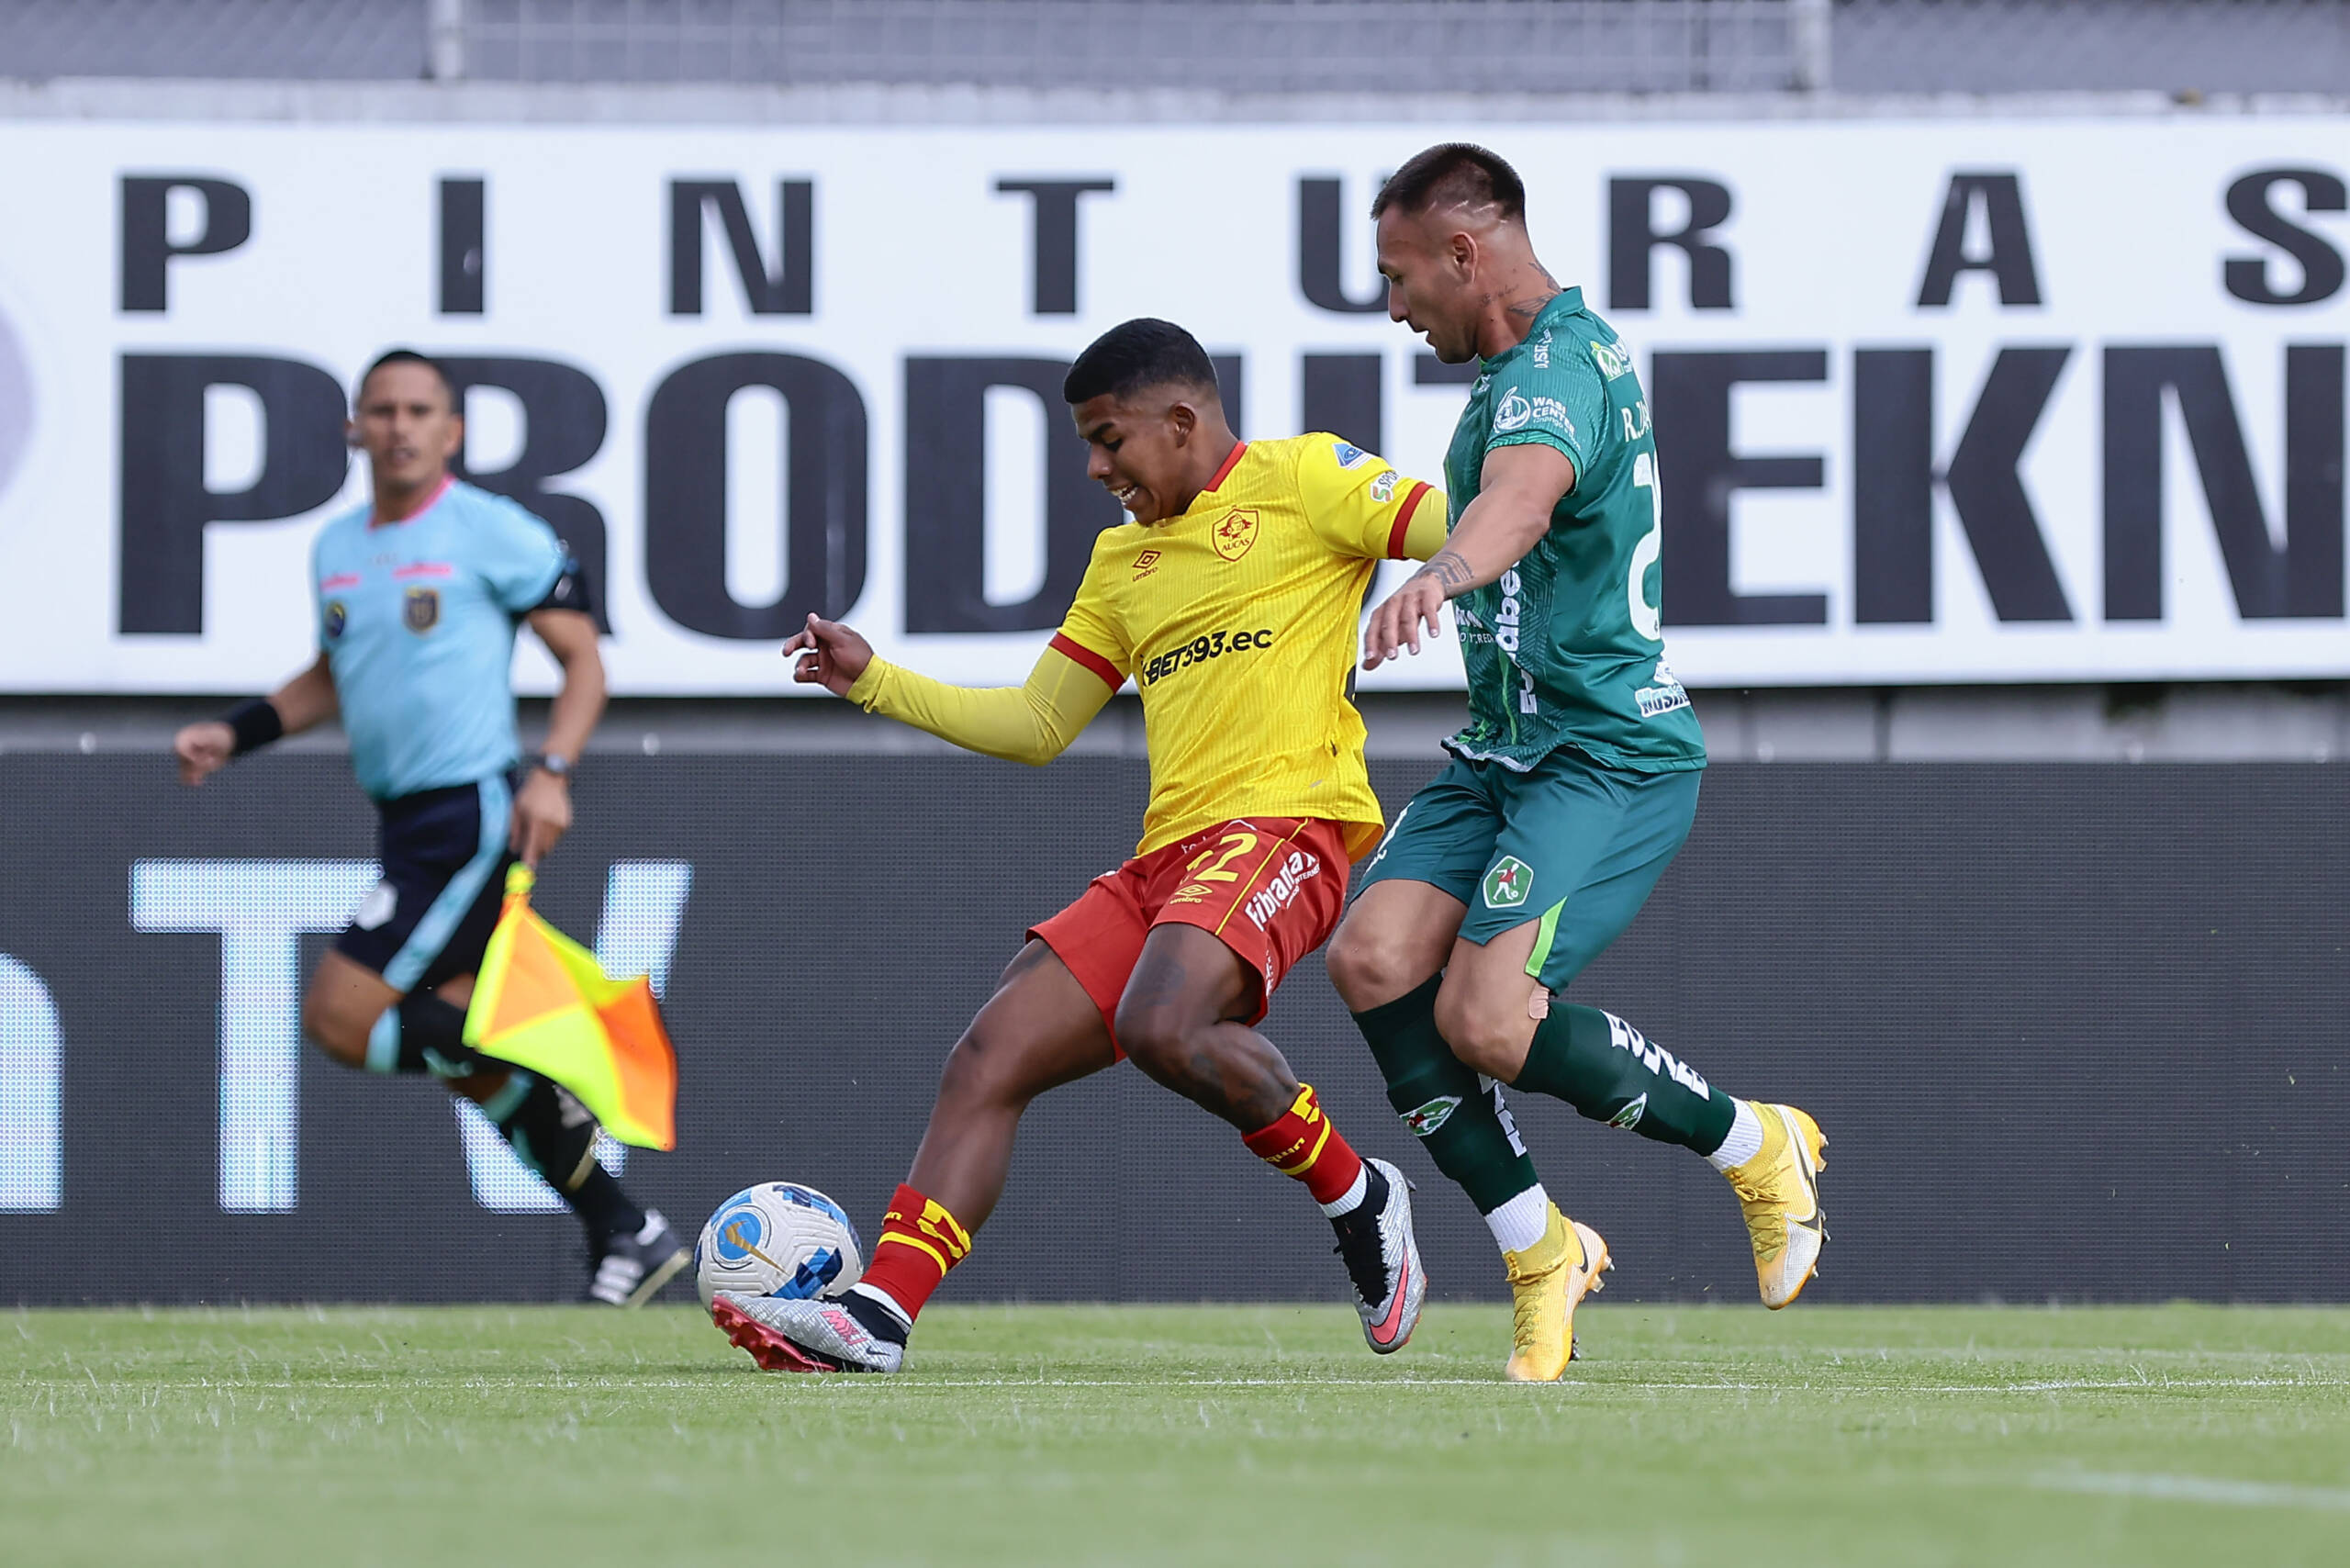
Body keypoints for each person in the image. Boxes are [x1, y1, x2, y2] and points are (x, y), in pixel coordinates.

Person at [711, 319, 1449, 1373]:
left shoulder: (1308, 479)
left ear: (1182, 420)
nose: (1097, 468)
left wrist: (1446, 575)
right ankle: (878, 1316)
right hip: (1168, 858)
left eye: (1109, 440)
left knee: (1163, 1019)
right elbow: (1038, 724)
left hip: (1290, 822)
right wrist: (874, 679)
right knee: (988, 1056)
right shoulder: (1123, 560)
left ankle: (1357, 1192)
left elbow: (1469, 521)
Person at [1323, 144, 1830, 1382]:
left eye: (1398, 277)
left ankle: (1756, 1144)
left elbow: (1523, 504)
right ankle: (1540, 1246)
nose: (1393, 307)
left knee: (1487, 1023)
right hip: (1504, 752)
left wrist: (1440, 574)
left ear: (1465, 253)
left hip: (1606, 757)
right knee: (1372, 956)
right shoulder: (1513, 370)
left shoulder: (1556, 368)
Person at [172, 349, 688, 1308]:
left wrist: (554, 773)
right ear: (354, 429)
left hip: (469, 813)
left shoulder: (489, 531)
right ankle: (624, 1228)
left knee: (340, 1015)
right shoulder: (337, 546)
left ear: (450, 432)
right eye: (383, 410)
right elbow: (330, 676)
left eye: (419, 410)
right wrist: (233, 733)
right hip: (403, 819)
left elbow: (584, 662)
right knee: (460, 1049)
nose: (400, 425)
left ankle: (544, 1064)